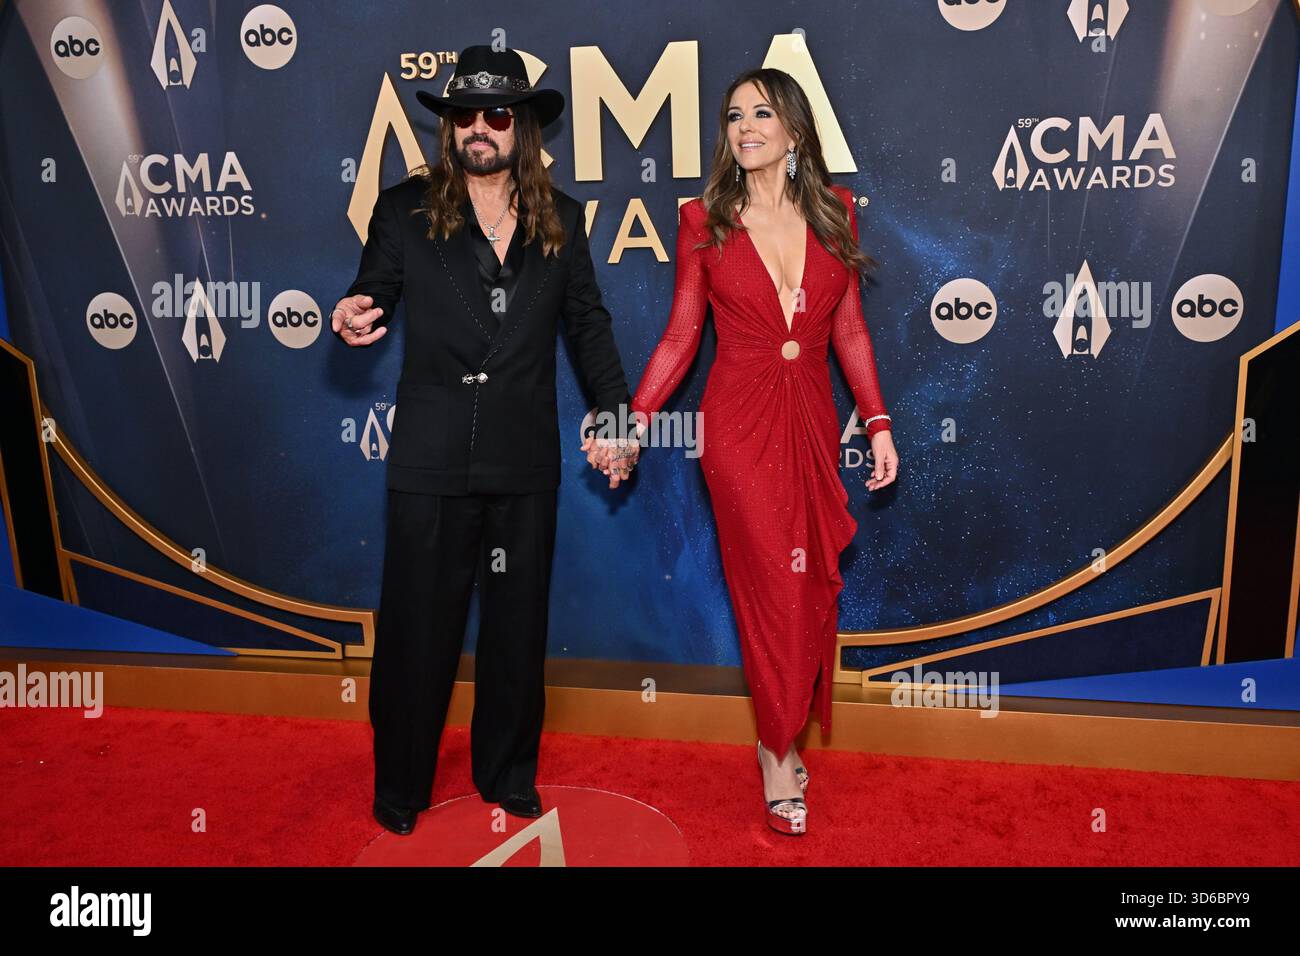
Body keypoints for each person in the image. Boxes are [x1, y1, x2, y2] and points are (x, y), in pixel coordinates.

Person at [332, 45, 639, 836]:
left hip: (521, 461)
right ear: (448, 127)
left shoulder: (562, 220)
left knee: (515, 631)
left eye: (497, 113)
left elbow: (588, 327)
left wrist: (615, 412)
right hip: (430, 463)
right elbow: (374, 290)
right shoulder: (403, 210)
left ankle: (508, 776)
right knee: (414, 635)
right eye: (463, 114)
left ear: (524, 126)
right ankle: (399, 788)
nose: (478, 128)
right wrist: (355, 311)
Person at [629, 68, 900, 836]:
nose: (745, 127)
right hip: (738, 430)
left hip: (812, 420)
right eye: (734, 115)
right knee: (770, 590)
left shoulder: (838, 212)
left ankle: (778, 730)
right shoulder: (702, 219)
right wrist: (638, 418)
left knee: (808, 586)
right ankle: (779, 754)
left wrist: (877, 422)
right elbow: (682, 335)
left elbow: (849, 331)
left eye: (762, 113)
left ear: (794, 130)